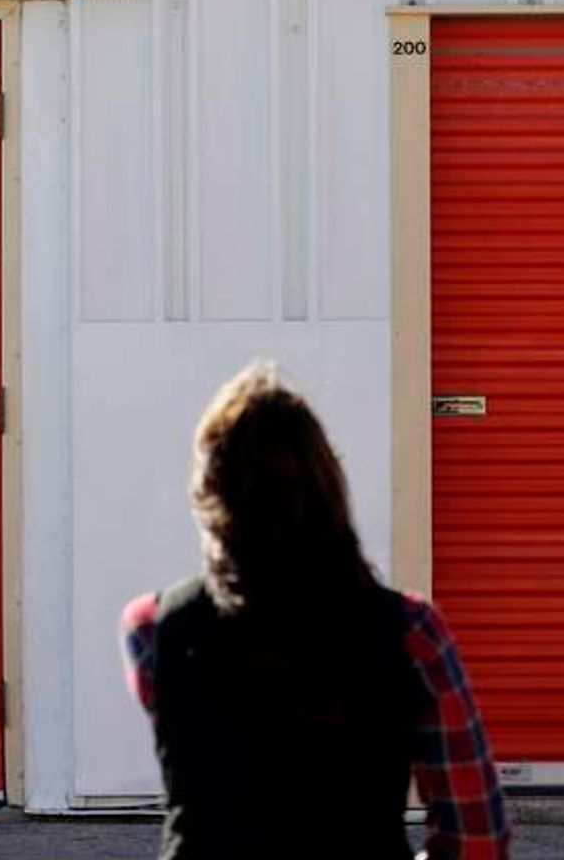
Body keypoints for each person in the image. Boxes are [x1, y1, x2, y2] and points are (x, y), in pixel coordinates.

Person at [120, 364, 510, 860]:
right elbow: (478, 840)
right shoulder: (414, 634)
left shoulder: (151, 630)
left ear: (208, 499)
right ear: (329, 490)